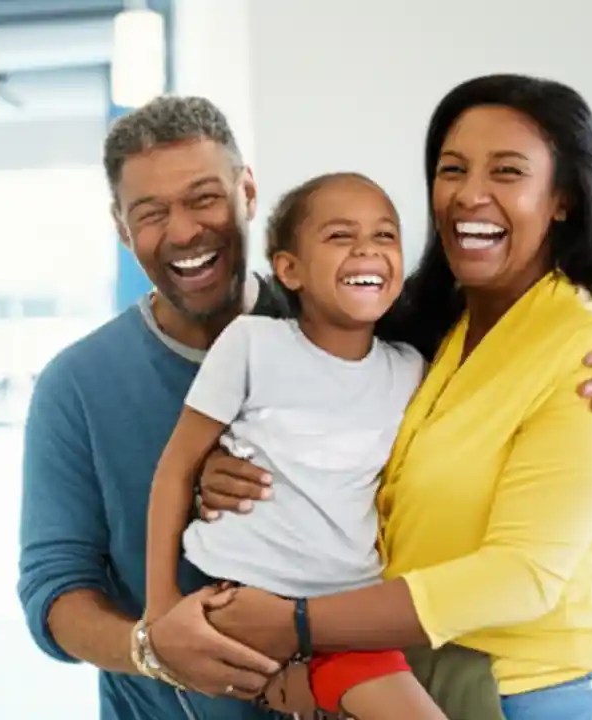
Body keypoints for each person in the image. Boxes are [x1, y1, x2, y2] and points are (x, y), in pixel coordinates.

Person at [17, 91, 592, 720]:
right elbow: (54, 588)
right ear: (121, 226)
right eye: (151, 212)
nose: (184, 230)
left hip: (388, 681)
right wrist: (151, 646)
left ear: (247, 193)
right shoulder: (75, 385)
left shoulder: (387, 336)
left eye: (204, 198)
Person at [144, 172, 445, 719]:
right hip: (246, 606)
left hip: (351, 614)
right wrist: (160, 605)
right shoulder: (252, 344)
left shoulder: (411, 371)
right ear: (289, 268)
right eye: (339, 236)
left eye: (385, 236)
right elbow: (176, 469)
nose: (367, 250)